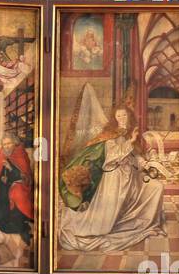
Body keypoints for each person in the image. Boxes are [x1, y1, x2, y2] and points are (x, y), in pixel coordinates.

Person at [57, 106, 164, 252]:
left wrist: (145, 163)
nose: (121, 119)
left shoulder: (129, 133)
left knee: (157, 187)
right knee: (108, 213)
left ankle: (146, 219)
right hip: (115, 178)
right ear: (114, 118)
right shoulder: (110, 135)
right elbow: (112, 157)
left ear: (129, 117)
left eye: (124, 116)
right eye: (118, 116)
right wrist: (131, 141)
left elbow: (133, 156)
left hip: (131, 175)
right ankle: (118, 224)